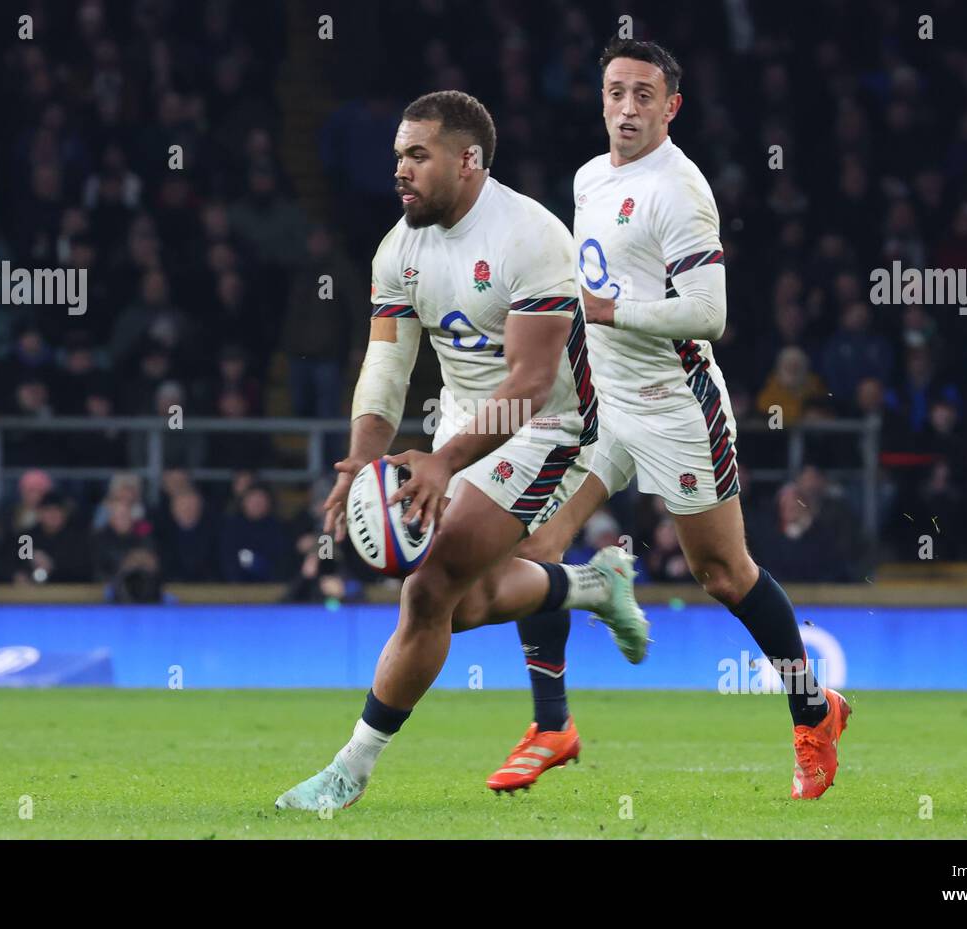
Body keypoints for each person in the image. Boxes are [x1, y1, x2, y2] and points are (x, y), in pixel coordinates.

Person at [481, 40, 851, 799]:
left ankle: (812, 710)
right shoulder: (588, 178)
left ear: (670, 107)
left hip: (678, 407)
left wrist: (613, 311)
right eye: (616, 91)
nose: (626, 106)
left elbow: (710, 314)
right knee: (535, 547)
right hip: (602, 408)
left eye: (644, 95)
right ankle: (552, 725)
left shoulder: (680, 190)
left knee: (723, 574)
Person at [276, 91, 647, 813]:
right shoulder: (399, 250)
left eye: (417, 155)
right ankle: (593, 587)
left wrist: (443, 463)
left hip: (551, 427)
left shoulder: (531, 237)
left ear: (468, 160)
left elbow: (533, 383)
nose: (400, 171)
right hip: (461, 426)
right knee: (466, 598)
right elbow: (385, 369)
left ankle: (348, 772)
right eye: (397, 157)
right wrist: (360, 460)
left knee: (426, 590)